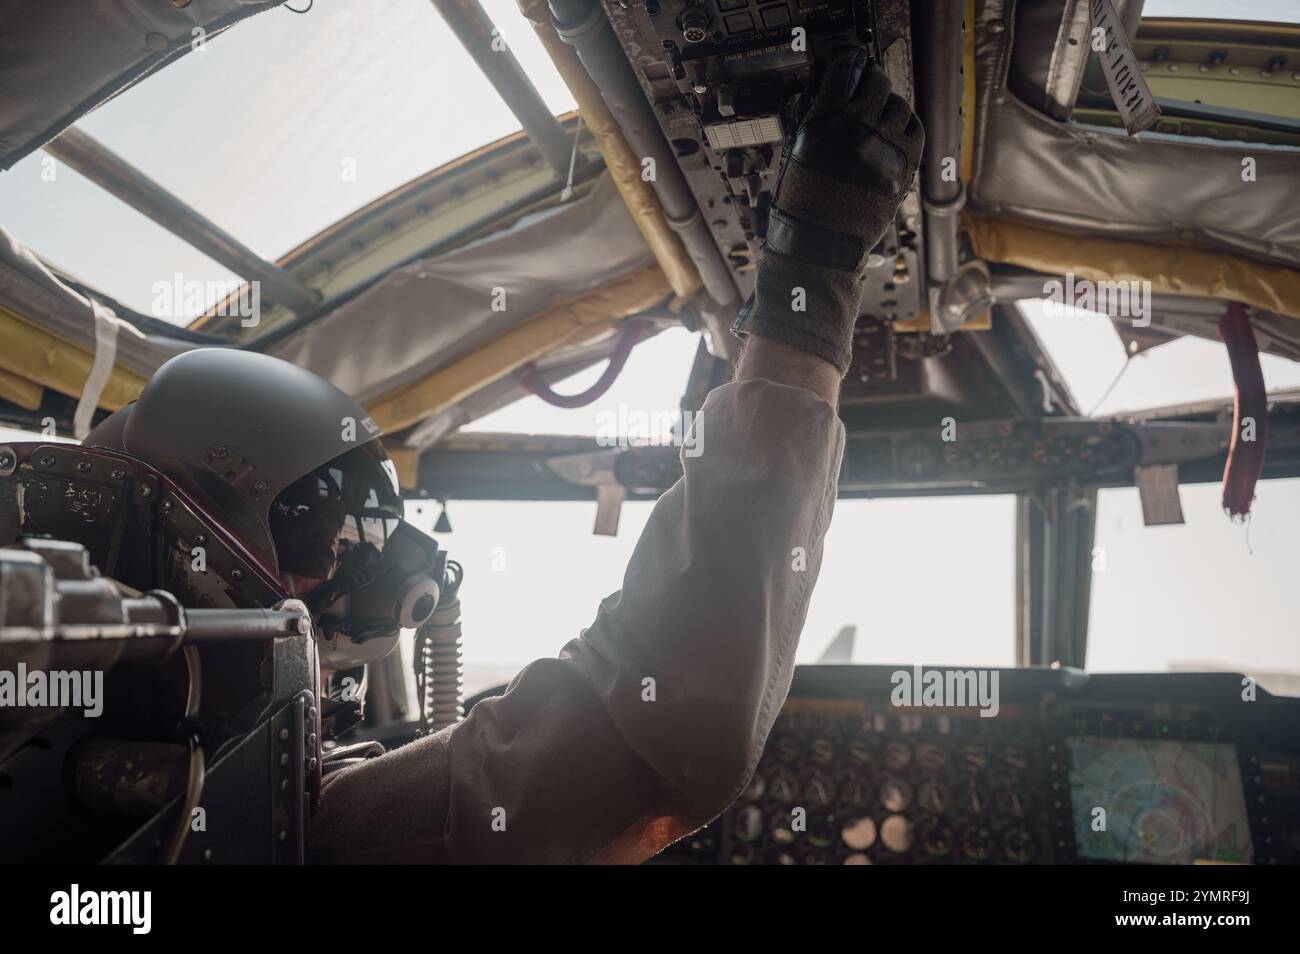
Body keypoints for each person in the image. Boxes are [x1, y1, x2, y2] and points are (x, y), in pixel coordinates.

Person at [87, 46, 922, 864]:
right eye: (325, 540)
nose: (361, 575)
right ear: (196, 562)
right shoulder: (294, 824)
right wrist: (809, 279)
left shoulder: (229, 788)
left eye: (371, 523)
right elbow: (667, 724)